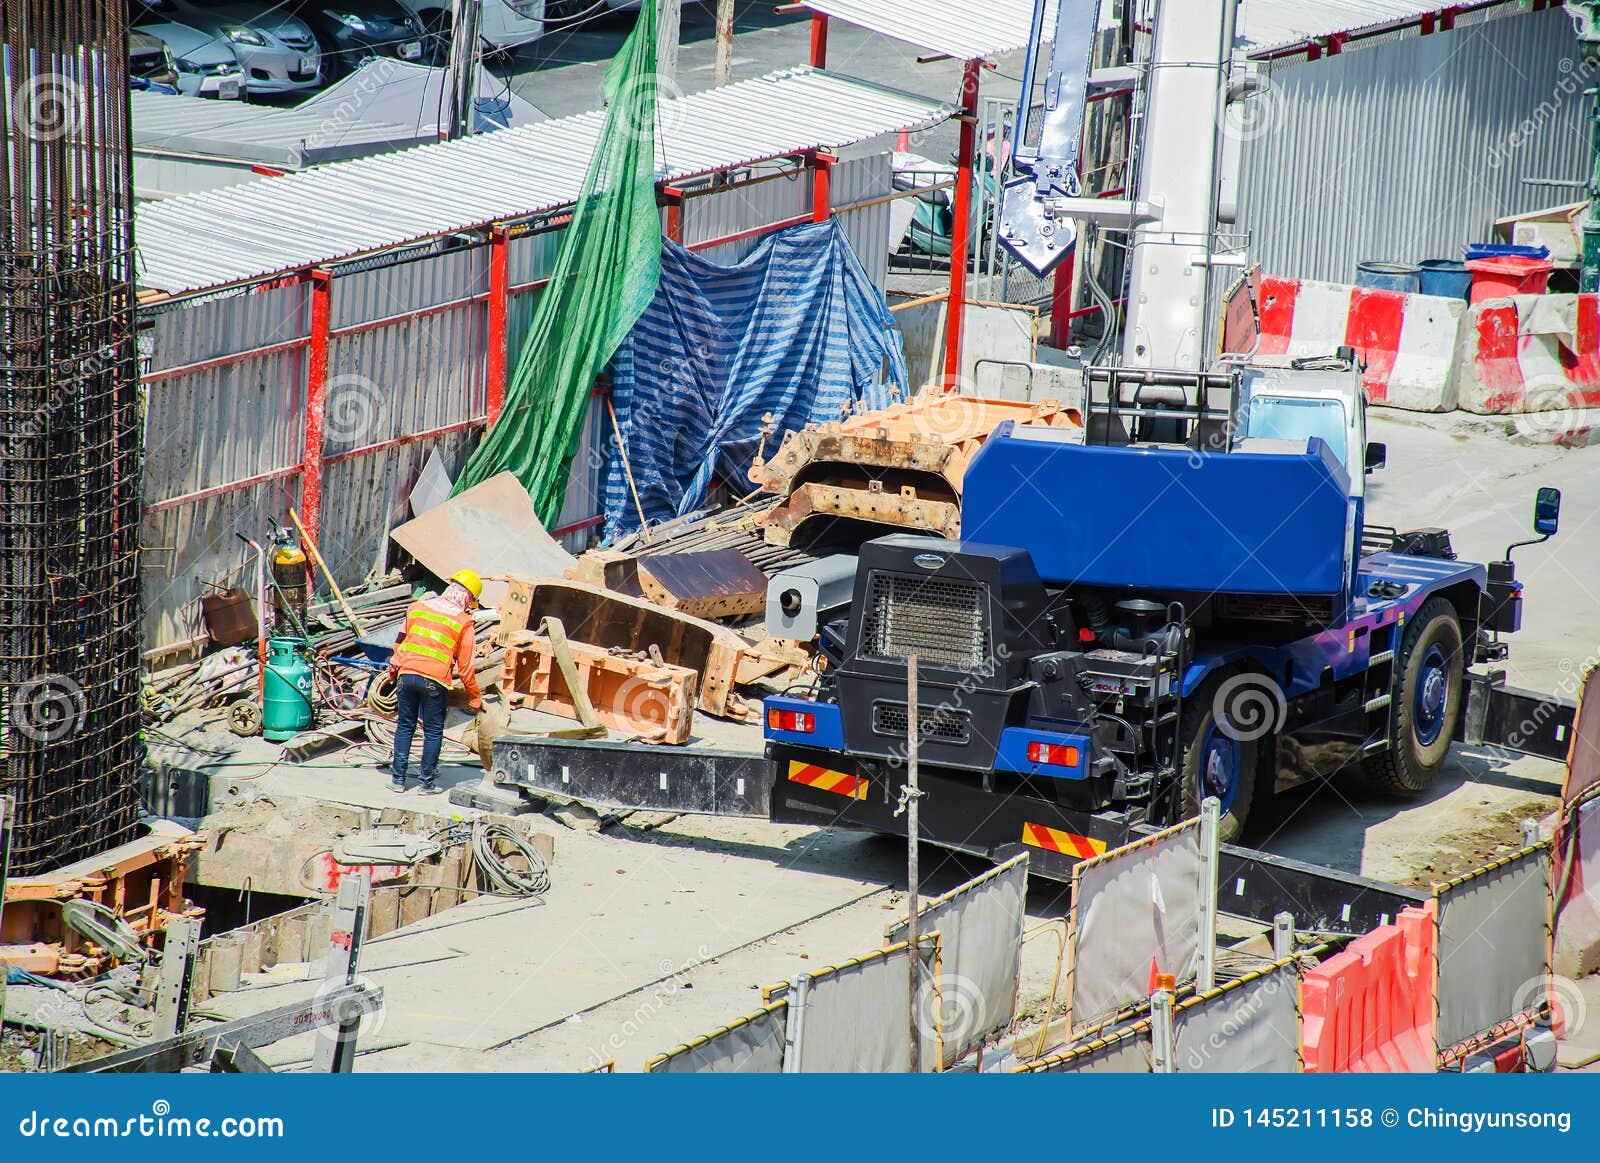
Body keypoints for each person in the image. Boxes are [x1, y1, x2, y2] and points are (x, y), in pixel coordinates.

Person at [386, 569, 485, 794]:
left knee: (405, 726)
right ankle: (426, 784)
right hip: (434, 681)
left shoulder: (417, 608)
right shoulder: (464, 622)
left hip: (406, 674)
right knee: (432, 731)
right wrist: (474, 697)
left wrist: (394, 669)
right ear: (468, 597)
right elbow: (466, 668)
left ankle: (397, 781)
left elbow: (399, 643)